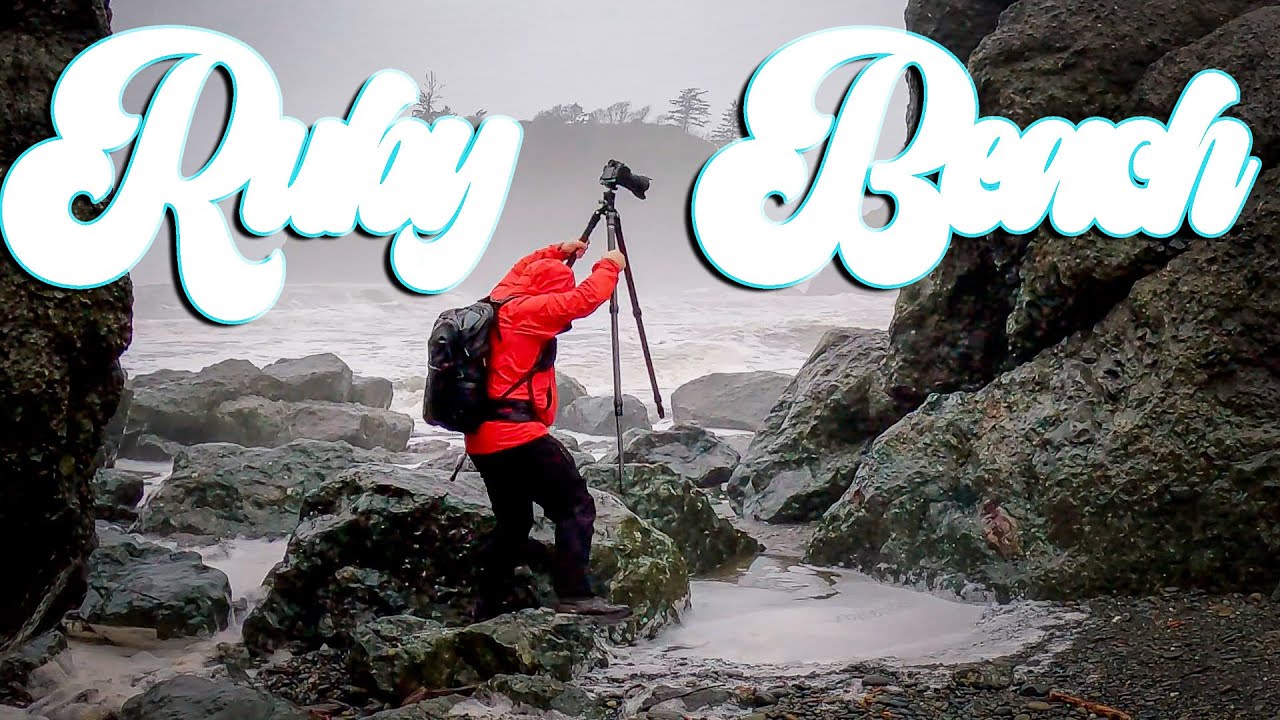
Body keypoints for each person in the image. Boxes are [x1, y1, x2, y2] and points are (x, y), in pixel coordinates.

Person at [465, 238, 632, 621]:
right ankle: (574, 594)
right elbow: (584, 300)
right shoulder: (531, 313)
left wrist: (558, 251)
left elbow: (523, 265)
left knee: (515, 522)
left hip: (482, 439)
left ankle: (488, 604)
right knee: (575, 507)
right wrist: (611, 264)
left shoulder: (502, 298)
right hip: (519, 438)